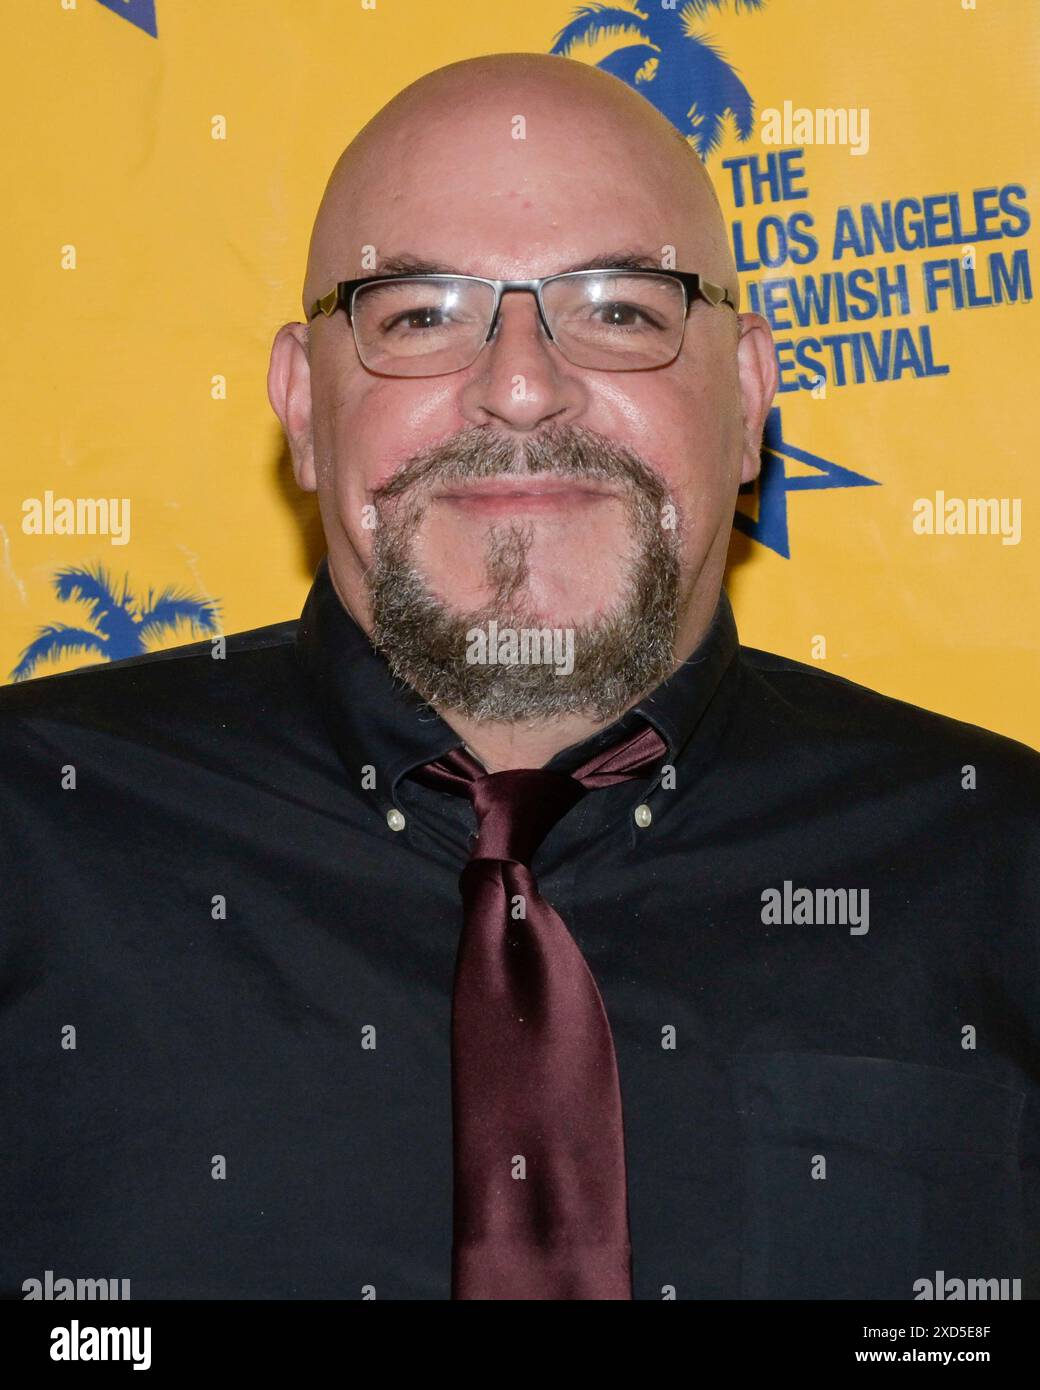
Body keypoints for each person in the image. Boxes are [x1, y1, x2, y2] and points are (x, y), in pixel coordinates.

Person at [1, 53, 1037, 1302]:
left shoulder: (997, 858)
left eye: (619, 306)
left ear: (751, 394)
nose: (521, 384)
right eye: (421, 314)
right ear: (299, 405)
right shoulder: (31, 825)